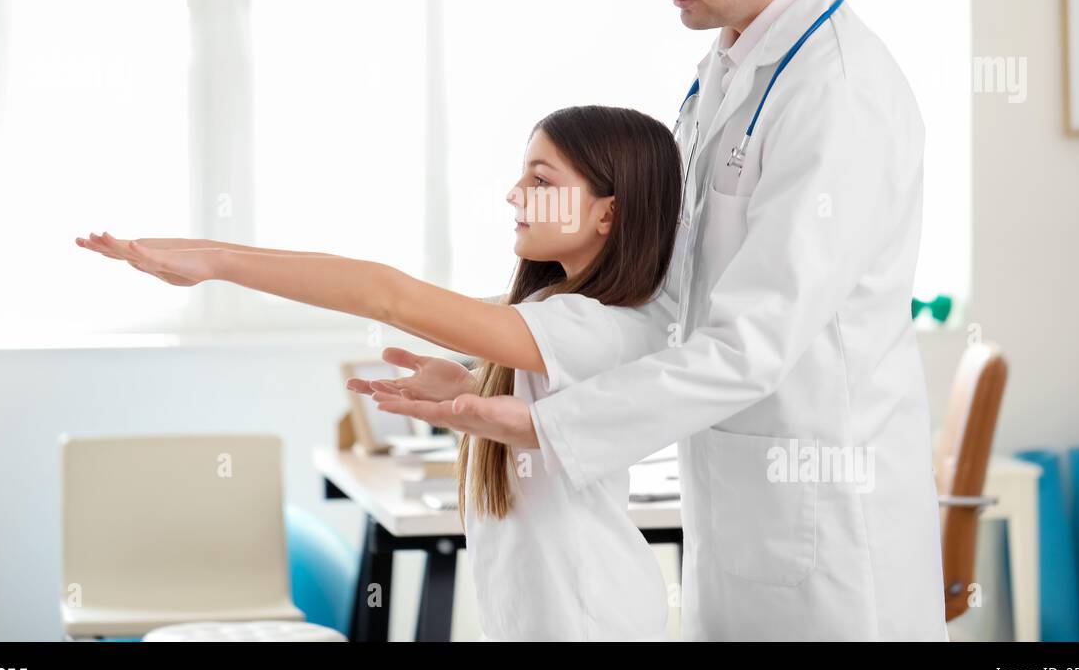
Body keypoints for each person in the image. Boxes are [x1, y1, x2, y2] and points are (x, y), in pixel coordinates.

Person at [370, 0, 949, 640]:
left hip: (826, 536)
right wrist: (499, 373)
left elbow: (750, 343)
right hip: (738, 509)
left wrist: (543, 423)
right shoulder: (730, 68)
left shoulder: (838, 95)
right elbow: (665, 287)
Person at [76, 105, 681, 640]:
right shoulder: (555, 313)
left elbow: (385, 295)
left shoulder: (599, 326)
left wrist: (217, 262)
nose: (513, 192)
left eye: (540, 180)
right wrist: (473, 386)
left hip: (592, 623)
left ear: (608, 214)